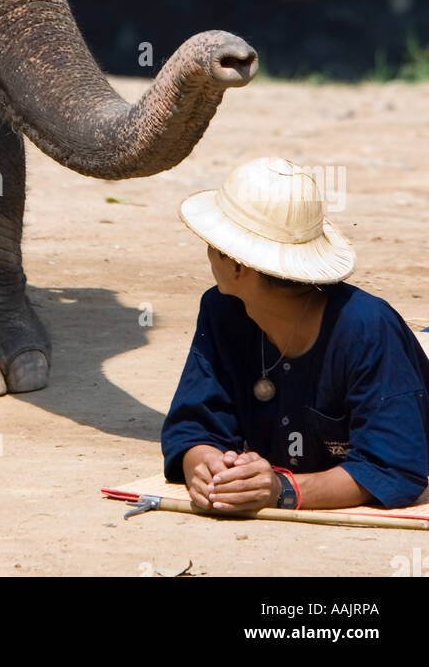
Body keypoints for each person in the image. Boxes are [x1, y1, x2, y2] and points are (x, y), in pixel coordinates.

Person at [161, 157, 429, 511]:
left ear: (239, 265)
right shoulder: (221, 310)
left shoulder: (366, 327)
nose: (208, 253)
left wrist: (281, 490)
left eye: (213, 244)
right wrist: (205, 466)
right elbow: (194, 426)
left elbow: (393, 466)